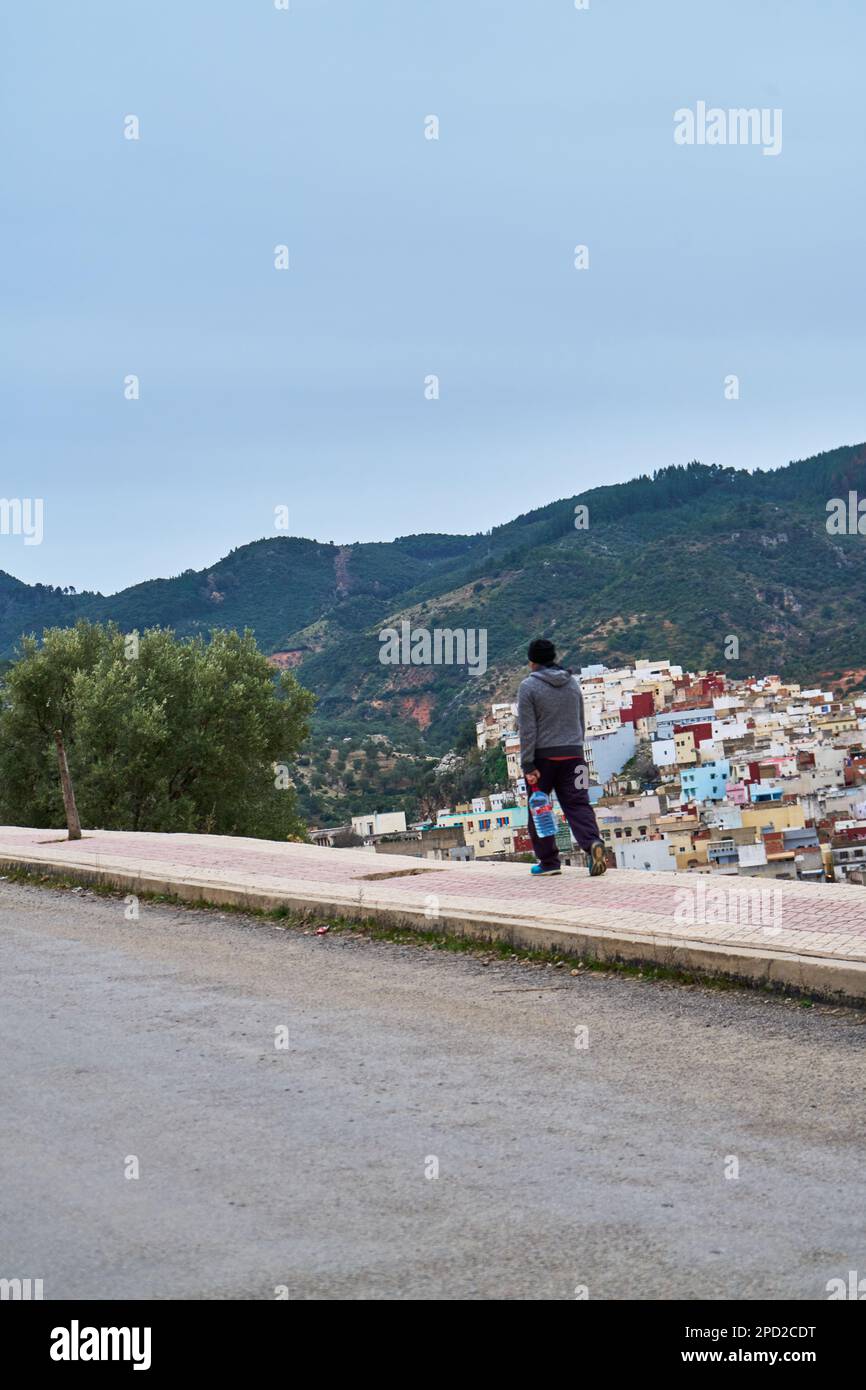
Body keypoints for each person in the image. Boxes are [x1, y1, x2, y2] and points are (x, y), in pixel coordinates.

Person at [517, 638, 607, 876]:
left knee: (540, 807)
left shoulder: (528, 687)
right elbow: (580, 721)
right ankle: (592, 843)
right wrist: (576, 749)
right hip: (575, 756)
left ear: (532, 661)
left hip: (543, 760)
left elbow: (527, 730)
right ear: (553, 657)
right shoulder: (572, 684)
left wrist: (527, 763)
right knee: (578, 804)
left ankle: (549, 862)